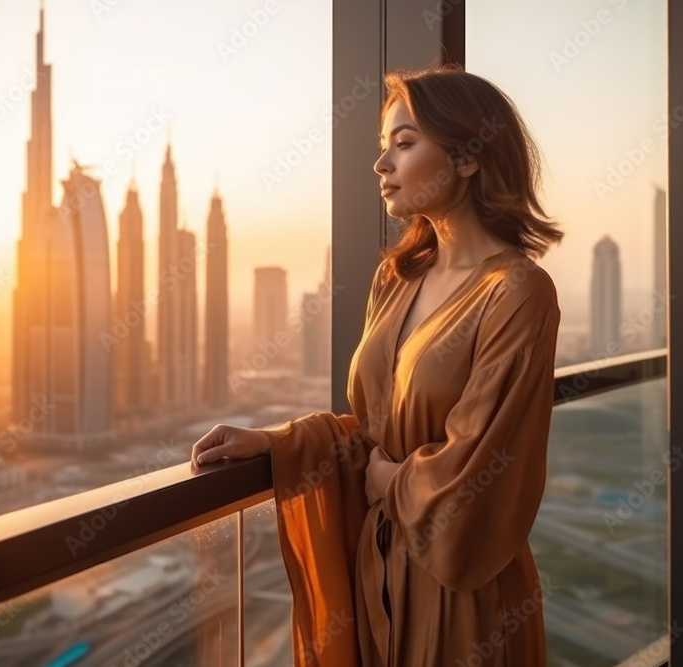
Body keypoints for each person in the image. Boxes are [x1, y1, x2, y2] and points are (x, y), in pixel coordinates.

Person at [191, 62, 563, 667]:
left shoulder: (517, 291)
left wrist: (391, 481)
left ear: (468, 157)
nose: (380, 164)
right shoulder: (397, 279)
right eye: (383, 145)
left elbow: (486, 471)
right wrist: (273, 442)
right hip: (380, 573)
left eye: (404, 143)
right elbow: (375, 434)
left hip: (463, 603)